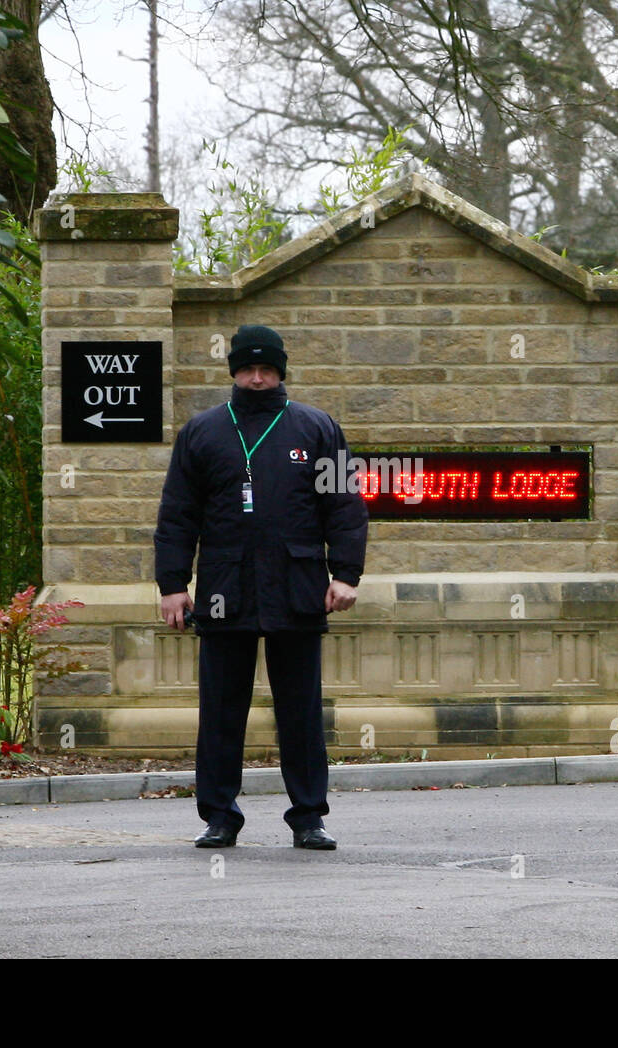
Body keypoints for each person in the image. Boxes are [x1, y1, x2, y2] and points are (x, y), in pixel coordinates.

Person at [154, 324, 368, 850]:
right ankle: (220, 817)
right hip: (226, 587)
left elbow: (344, 507)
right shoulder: (202, 432)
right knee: (222, 710)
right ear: (233, 372)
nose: (256, 378)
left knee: (301, 711)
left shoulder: (316, 428)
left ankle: (309, 817)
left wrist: (346, 574)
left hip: (298, 586)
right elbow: (177, 514)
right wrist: (173, 584)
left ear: (280, 372)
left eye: (266, 369)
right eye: (247, 369)